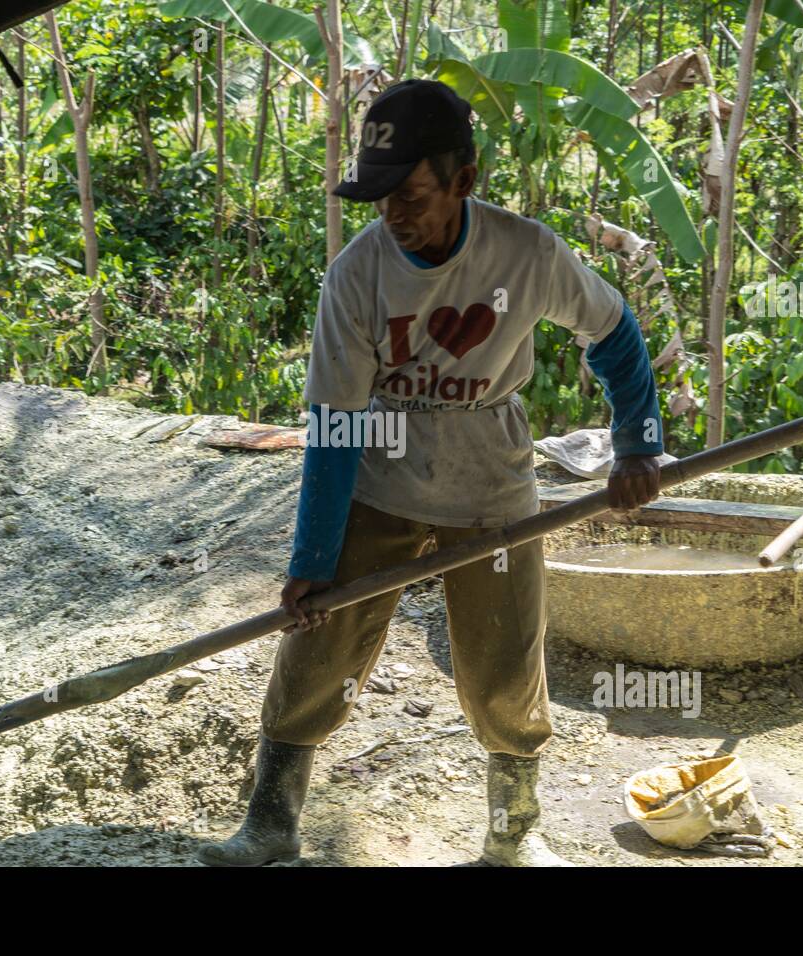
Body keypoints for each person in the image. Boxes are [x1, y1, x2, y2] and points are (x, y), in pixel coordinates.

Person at [197, 79, 663, 867]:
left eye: (411, 194)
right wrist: (312, 562)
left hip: (492, 482)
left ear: (463, 182)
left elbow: (614, 335)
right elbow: (337, 425)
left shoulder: (527, 253)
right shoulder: (358, 274)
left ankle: (513, 836)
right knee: (318, 649)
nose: (395, 214)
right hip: (380, 475)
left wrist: (637, 445)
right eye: (381, 198)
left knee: (505, 664)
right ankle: (272, 821)